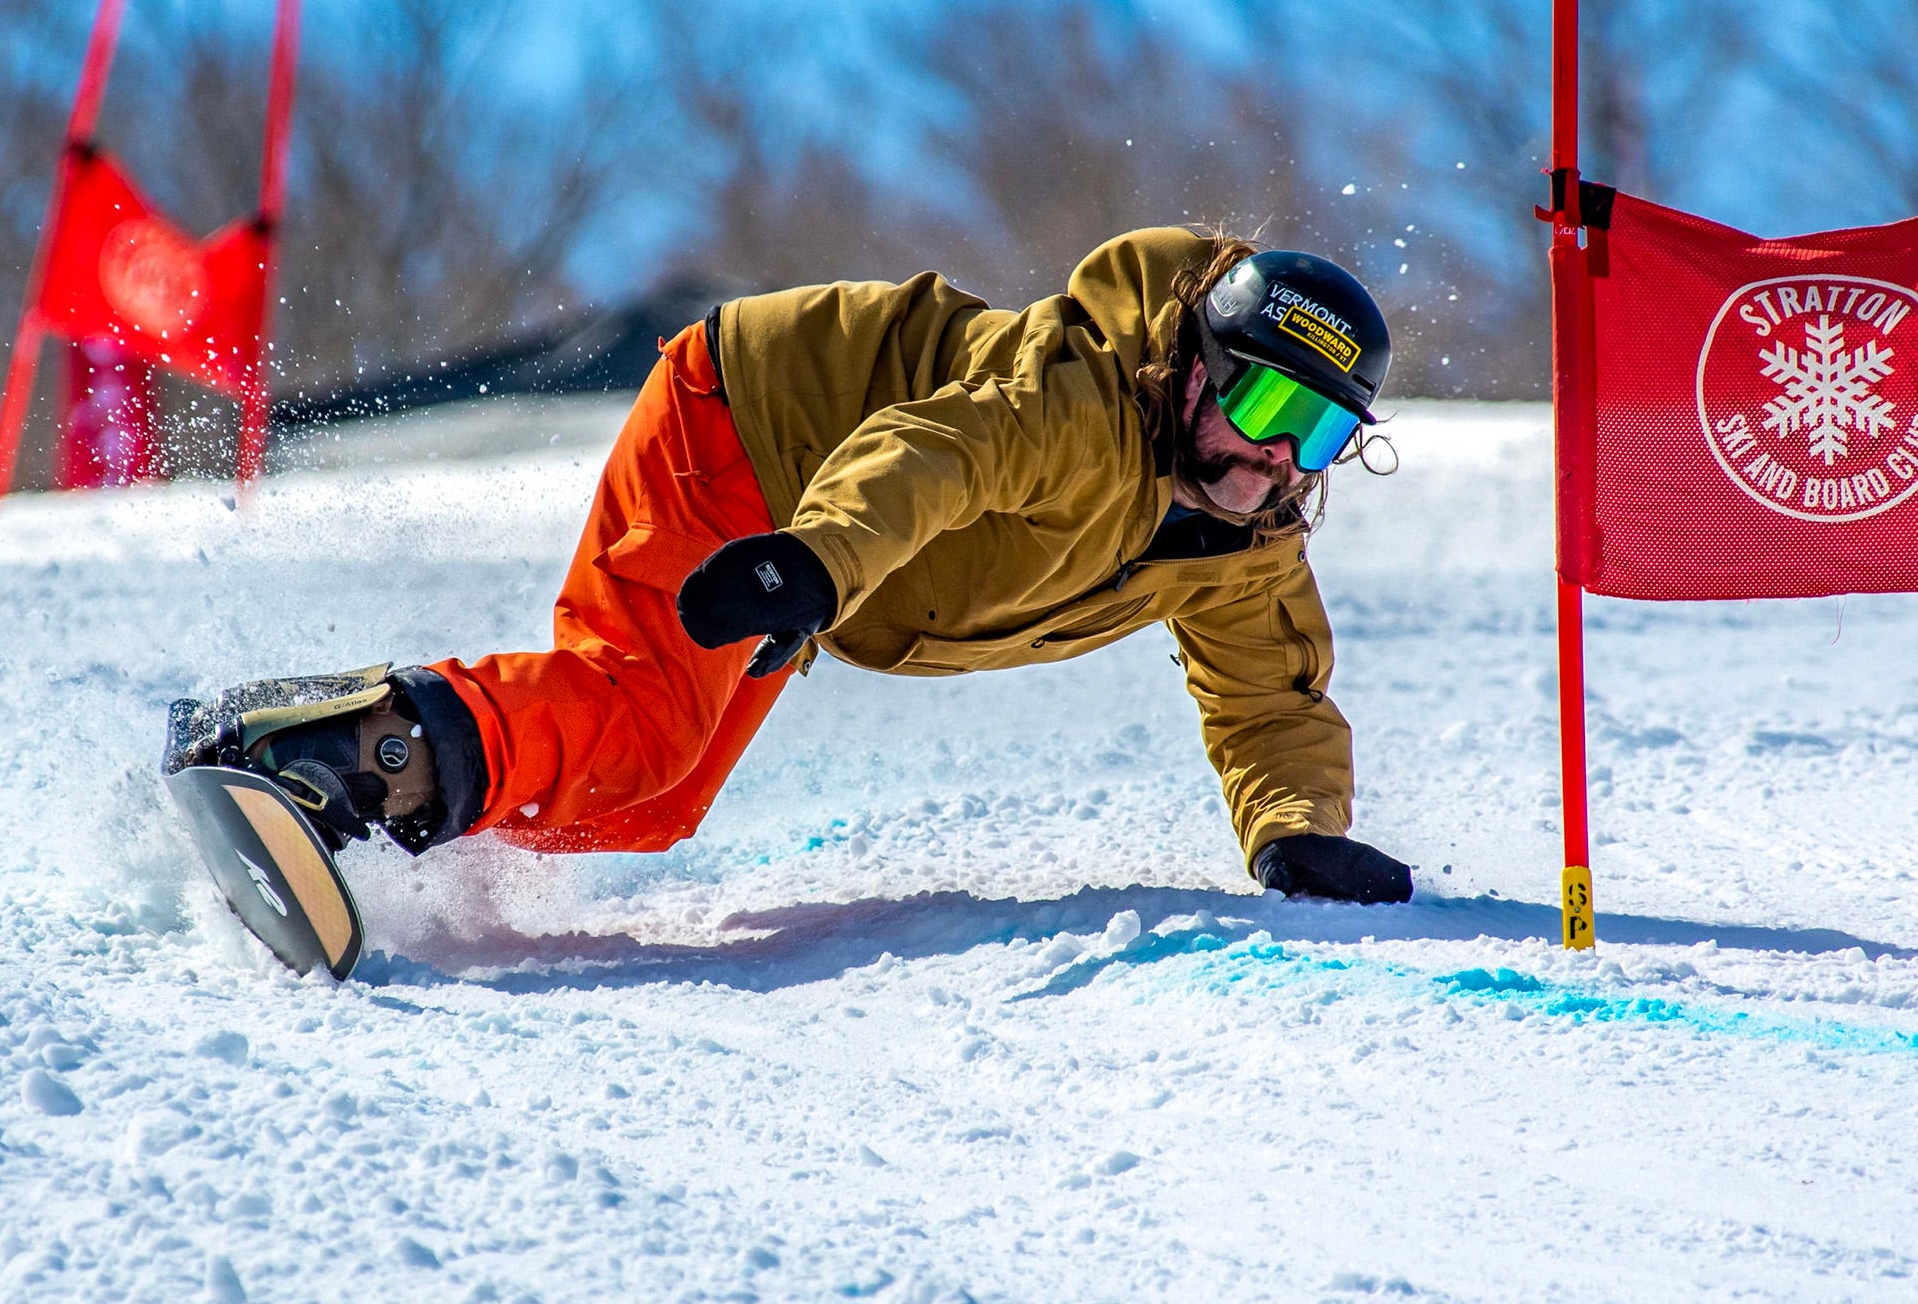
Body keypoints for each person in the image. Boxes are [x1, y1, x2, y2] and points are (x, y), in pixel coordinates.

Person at [163, 227, 1413, 904]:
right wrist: (819, 557)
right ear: (1192, 362)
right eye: (1255, 398)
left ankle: (342, 766)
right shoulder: (1083, 401)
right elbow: (935, 452)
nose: (1268, 452)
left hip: (815, 531)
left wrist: (1292, 831)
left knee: (654, 801)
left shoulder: (1244, 541)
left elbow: (1269, 700)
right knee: (639, 718)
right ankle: (315, 765)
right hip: (760, 426)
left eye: (1315, 432)